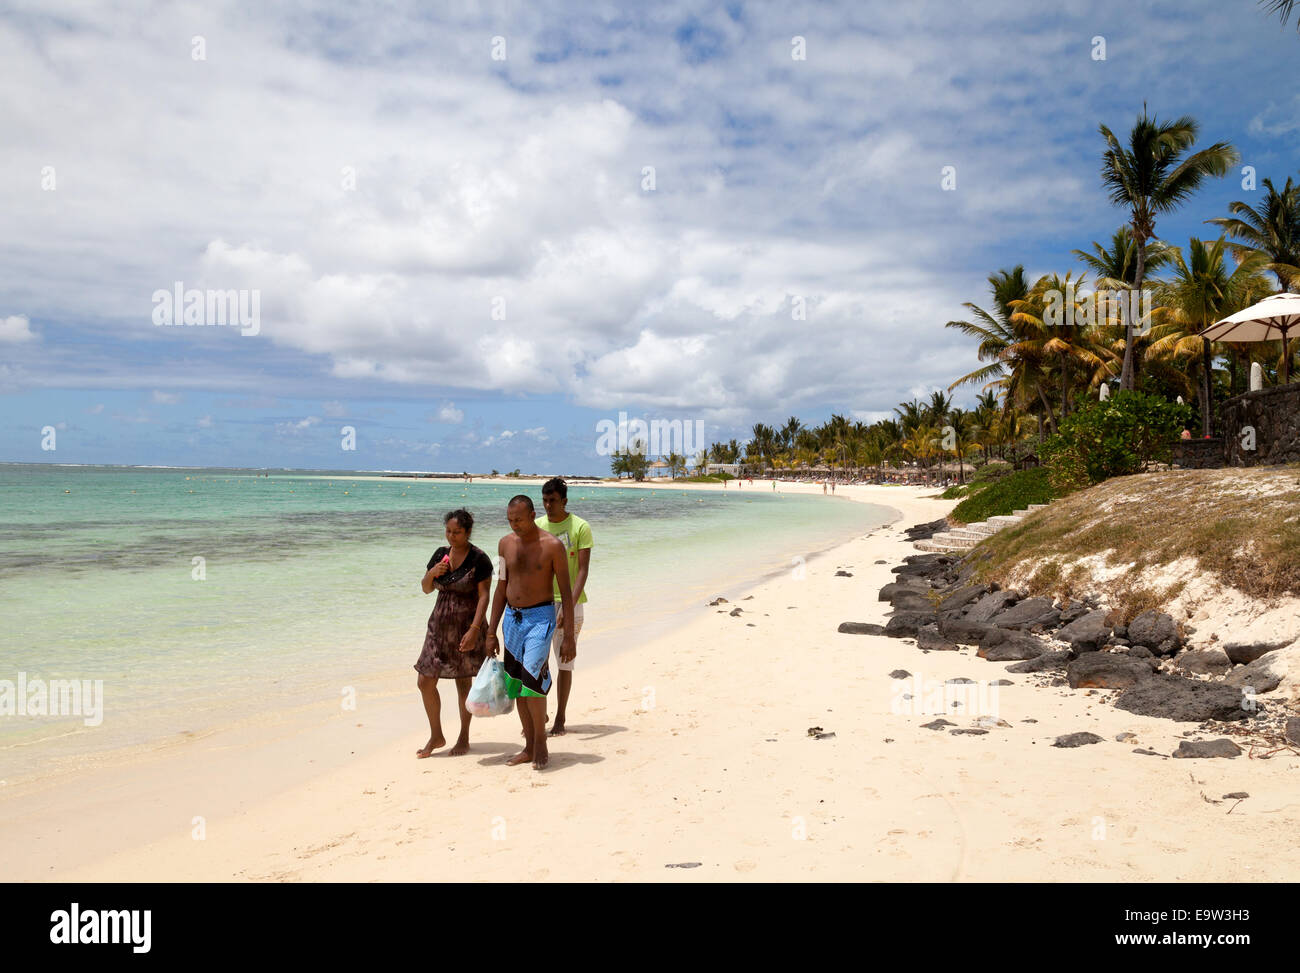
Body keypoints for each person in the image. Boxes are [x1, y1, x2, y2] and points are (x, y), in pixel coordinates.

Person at [485, 496, 575, 770]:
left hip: (540, 618)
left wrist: (569, 635)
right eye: (510, 521)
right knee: (516, 684)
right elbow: (501, 588)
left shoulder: (552, 546)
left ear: (533, 515)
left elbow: (567, 593)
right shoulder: (505, 544)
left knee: (533, 683)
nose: (515, 526)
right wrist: (490, 632)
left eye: (520, 520)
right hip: (512, 620)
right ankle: (528, 746)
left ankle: (541, 742)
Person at [414, 509, 493, 757]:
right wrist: (432, 573)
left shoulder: (480, 559)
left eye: (457, 532)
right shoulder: (441, 555)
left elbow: (484, 597)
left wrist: (475, 630)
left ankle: (463, 737)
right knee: (424, 680)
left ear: (468, 532)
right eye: (448, 531)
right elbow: (426, 589)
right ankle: (436, 735)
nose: (451, 536)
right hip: (438, 627)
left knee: (463, 684)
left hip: (466, 627)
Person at [536, 477, 593, 736]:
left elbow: (582, 571)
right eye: (545, 500)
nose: (548, 506)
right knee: (537, 661)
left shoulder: (580, 527)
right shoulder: (537, 526)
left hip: (571, 602)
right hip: (541, 603)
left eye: (553, 501)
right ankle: (541, 712)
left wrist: (567, 608)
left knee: (565, 662)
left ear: (565, 501)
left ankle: (560, 717)